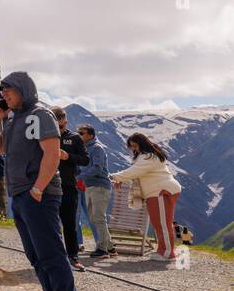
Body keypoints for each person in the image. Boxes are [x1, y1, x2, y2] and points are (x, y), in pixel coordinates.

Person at [0, 72, 81, 291]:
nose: (4, 95)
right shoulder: (13, 118)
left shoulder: (40, 115)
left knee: (51, 252)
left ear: (23, 89)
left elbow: (52, 153)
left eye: (9, 90)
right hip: (20, 193)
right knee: (35, 254)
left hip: (38, 194)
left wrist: (38, 188)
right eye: (2, 91)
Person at [111, 133, 183, 262]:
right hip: (157, 192)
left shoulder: (149, 157)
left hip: (161, 192)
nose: (133, 148)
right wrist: (122, 179)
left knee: (163, 224)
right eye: (131, 146)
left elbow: (135, 171)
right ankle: (163, 251)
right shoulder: (148, 155)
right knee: (159, 224)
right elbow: (137, 173)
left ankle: (168, 253)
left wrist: (115, 177)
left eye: (135, 145)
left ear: (141, 143)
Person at [51, 107, 90, 271]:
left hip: (68, 186)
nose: (60, 120)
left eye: (61, 118)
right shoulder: (43, 137)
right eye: (55, 118)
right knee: (49, 224)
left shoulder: (74, 138)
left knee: (69, 223)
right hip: (47, 186)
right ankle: (52, 256)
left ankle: (73, 256)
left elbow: (85, 160)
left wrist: (68, 157)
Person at [76, 125, 117, 258]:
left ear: (90, 135)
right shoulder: (86, 148)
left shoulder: (97, 148)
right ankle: (110, 248)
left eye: (81, 133)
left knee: (98, 217)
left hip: (99, 186)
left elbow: (97, 168)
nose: (79, 135)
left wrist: (79, 177)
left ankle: (102, 249)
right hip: (90, 186)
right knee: (94, 218)